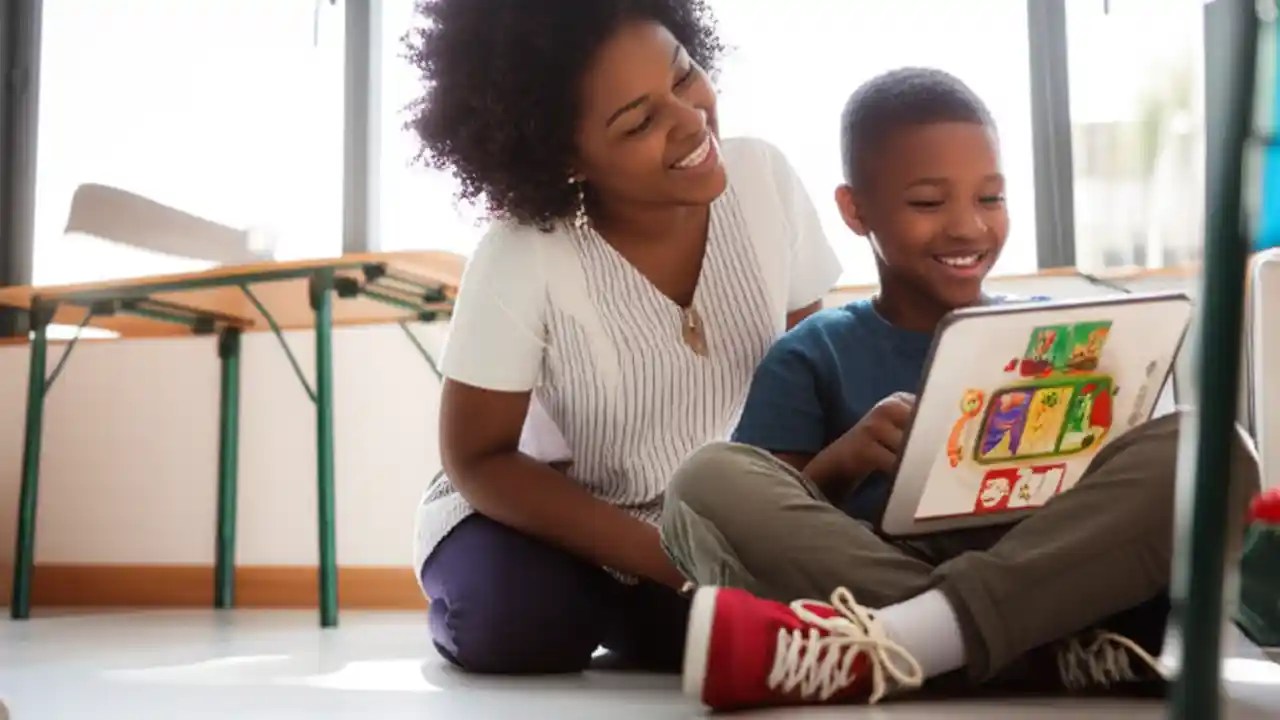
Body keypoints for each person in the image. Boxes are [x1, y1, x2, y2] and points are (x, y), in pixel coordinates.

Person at [659, 68, 1262, 710]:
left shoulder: (1059, 334)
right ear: (855, 210)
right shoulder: (814, 351)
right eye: (927, 203)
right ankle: (1035, 649)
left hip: (1047, 554)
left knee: (1215, 447)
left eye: (991, 198)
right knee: (705, 480)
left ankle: (915, 642)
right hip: (886, 565)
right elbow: (772, 520)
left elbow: (1129, 490)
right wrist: (848, 457)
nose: (968, 227)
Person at [406, 0, 842, 675]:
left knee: (734, 629)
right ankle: (602, 604)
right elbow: (478, 458)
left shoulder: (765, 182)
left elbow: (808, 387)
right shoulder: (521, 253)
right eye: (640, 121)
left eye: (684, 75)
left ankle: (632, 612)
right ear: (566, 158)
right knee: (515, 625)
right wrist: (673, 564)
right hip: (536, 518)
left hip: (698, 519)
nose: (691, 119)